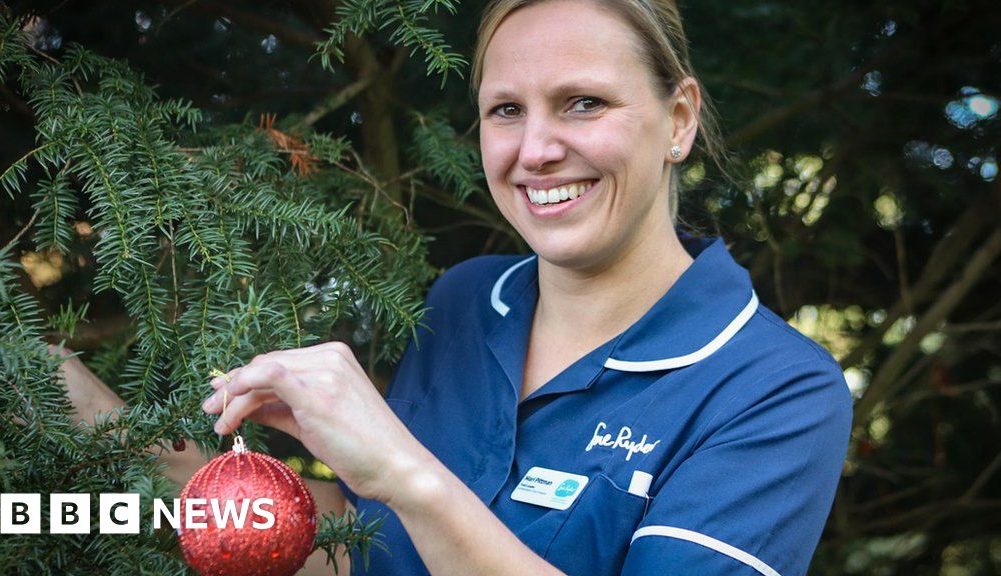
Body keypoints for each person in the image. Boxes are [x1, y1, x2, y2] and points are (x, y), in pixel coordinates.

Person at [59, 1, 852, 574]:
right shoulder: (466, 303)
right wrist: (65, 396)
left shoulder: (776, 390)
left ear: (678, 119)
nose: (536, 149)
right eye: (506, 109)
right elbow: (365, 555)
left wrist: (405, 470)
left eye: (583, 102)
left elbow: (414, 497)